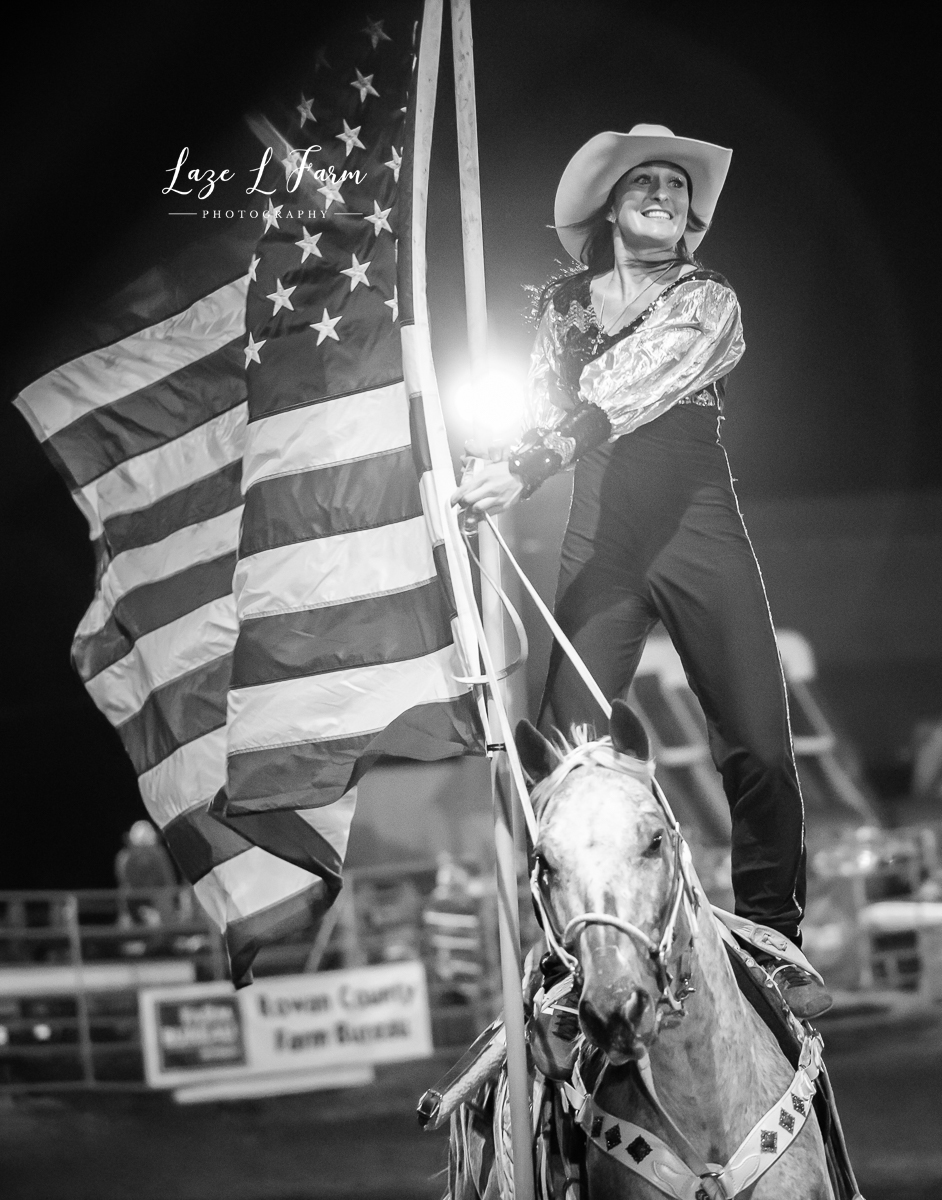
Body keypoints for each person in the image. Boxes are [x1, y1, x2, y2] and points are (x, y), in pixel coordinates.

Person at [452, 123, 831, 1019]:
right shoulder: (562, 308)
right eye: (645, 182)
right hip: (601, 538)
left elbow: (624, 390)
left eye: (676, 185)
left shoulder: (708, 299)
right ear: (611, 205)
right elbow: (541, 414)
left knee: (761, 750)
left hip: (699, 532)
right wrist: (485, 463)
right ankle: (568, 960)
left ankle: (773, 942)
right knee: (562, 760)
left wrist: (529, 462)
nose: (664, 195)